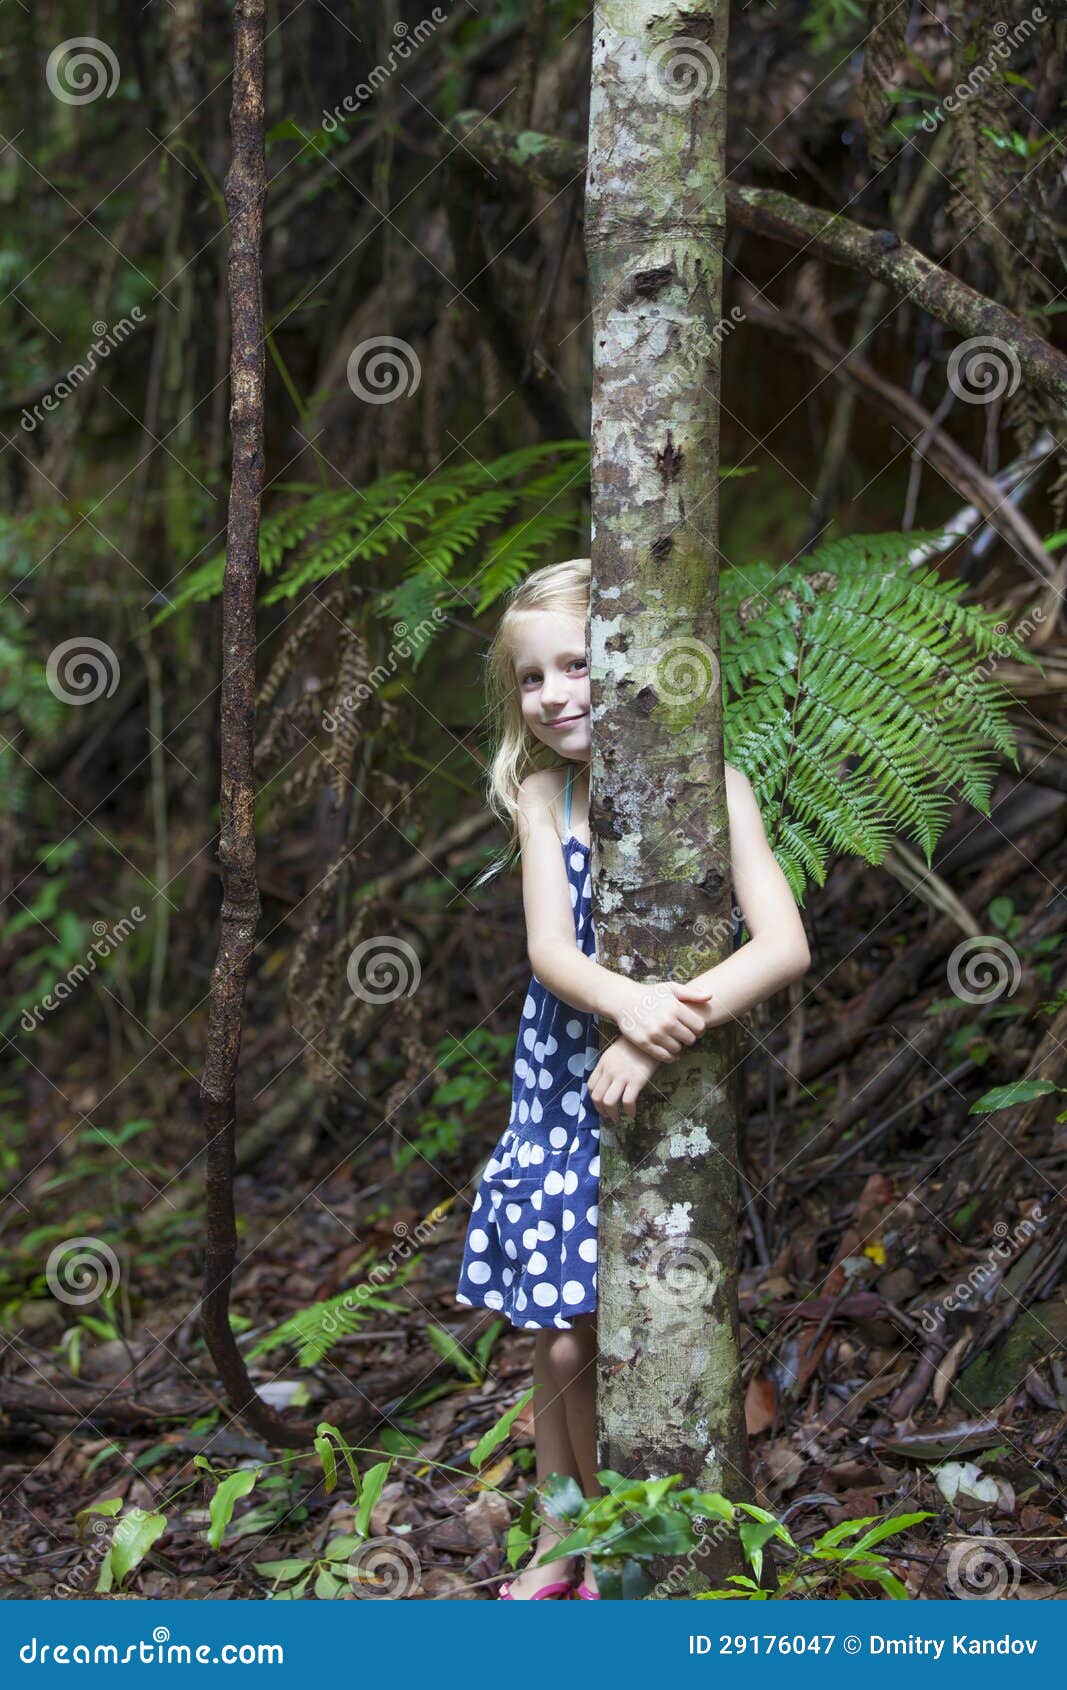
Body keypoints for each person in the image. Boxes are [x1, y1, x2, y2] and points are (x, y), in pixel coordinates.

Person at [455, 557, 811, 1599]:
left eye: (579, 663)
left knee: (597, 1338)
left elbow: (781, 944)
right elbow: (549, 956)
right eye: (532, 677)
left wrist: (656, 1033)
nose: (555, 692)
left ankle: (609, 1543)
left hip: (650, 1094)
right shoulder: (541, 795)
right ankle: (563, 1539)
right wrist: (625, 1003)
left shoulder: (719, 785)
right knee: (557, 1341)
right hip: (559, 1099)